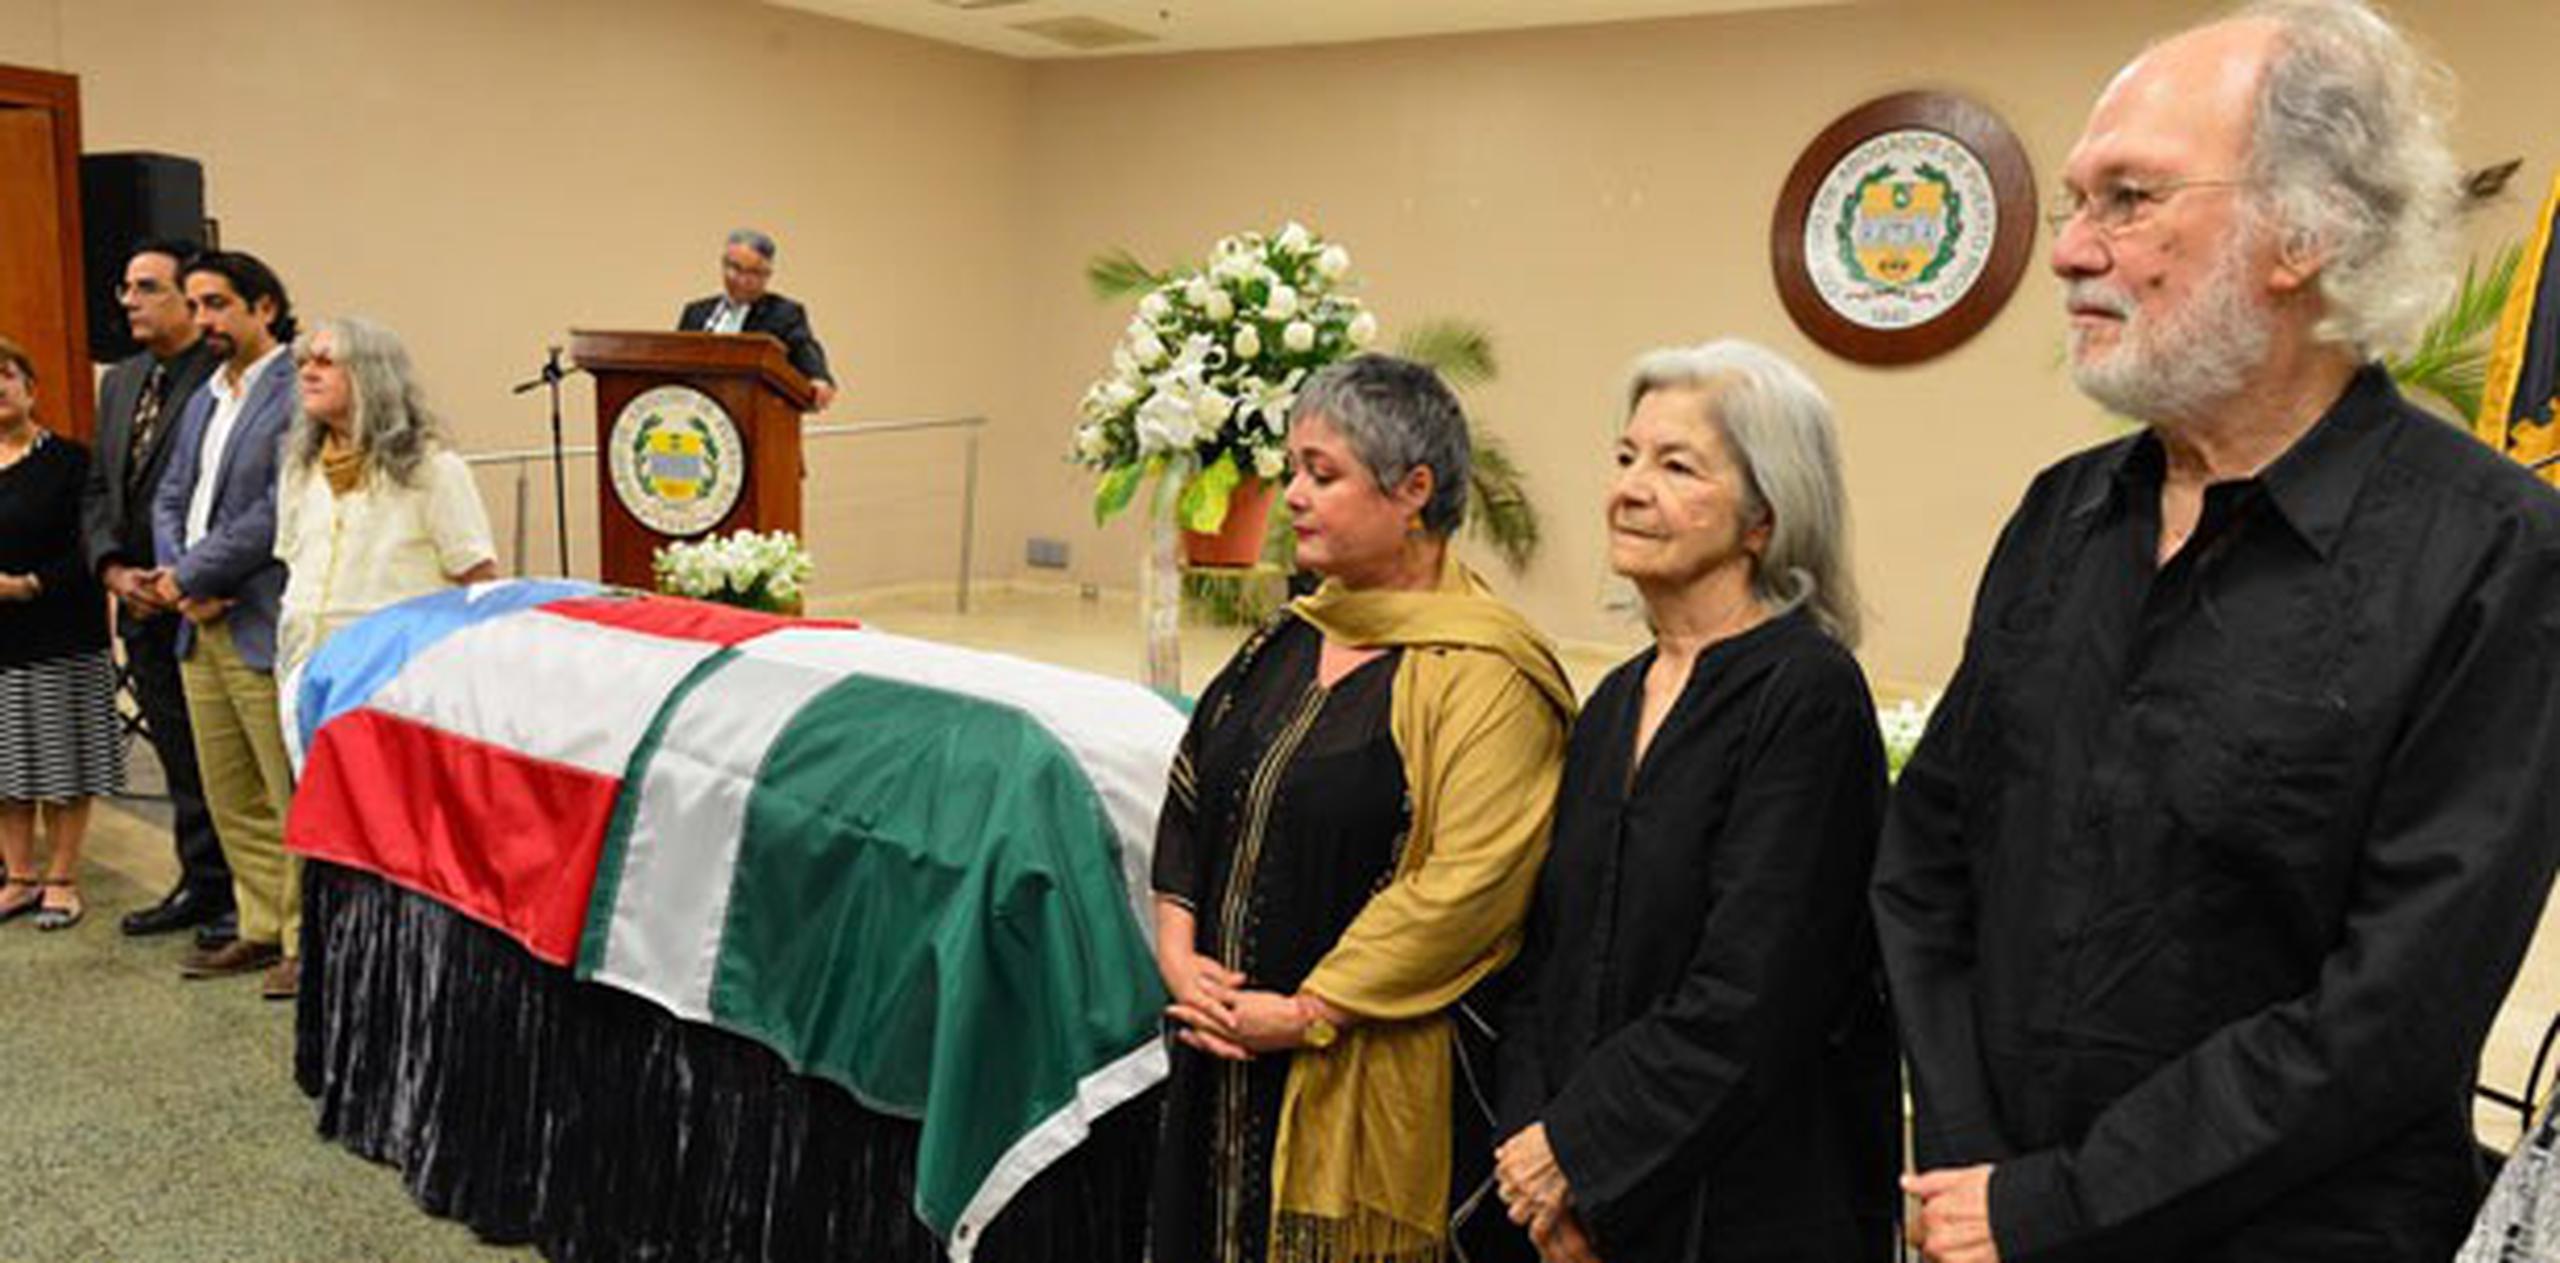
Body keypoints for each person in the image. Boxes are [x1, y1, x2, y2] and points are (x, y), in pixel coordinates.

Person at [1876, 3, 2560, 1260]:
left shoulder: (2495, 554)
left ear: (2302, 232)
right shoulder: (2059, 517)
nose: (2069, 250)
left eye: (2127, 198)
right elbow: (1924, 867)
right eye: (2078, 199)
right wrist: (1974, 1167)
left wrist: (2060, 1203)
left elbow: (2394, 1009)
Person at [1149, 354, 1575, 1263]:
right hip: (1218, 1057)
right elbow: (1195, 787)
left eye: (1322, 473)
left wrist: (1307, 1010)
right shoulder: (1295, 631)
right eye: (1295, 469)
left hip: (1353, 1072)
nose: (1293, 495)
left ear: (1413, 490)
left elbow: (1467, 884)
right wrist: (1179, 954)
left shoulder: (1488, 671)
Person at [1493, 341, 1898, 1263]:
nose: (1631, 488)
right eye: (1626, 456)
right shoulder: (1612, 702)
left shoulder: (1808, 696)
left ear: (1764, 516)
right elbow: (1545, 960)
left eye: (1677, 467)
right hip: (1573, 1206)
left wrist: (1577, 1153)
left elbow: (1757, 991)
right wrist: (1539, 1172)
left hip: (1742, 1203)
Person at [152, 249, 303, 999]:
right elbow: (169, 493)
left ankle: (307, 942)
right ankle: (260, 924)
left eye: (217, 304)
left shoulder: (294, 391)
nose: (203, 319)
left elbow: (275, 510)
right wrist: (179, 577)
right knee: (230, 791)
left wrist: (196, 575)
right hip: (198, 620)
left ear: (264, 307)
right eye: (197, 304)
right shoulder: (206, 393)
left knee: (286, 789)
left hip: (256, 615)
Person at [77, 237, 236, 945]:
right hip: (136, 599)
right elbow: (99, 489)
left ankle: (249, 893)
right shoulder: (121, 379)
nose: (129, 301)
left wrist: (181, 576)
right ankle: (201, 883)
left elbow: (228, 497)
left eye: (147, 287)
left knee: (229, 758)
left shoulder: (223, 378)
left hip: (207, 597)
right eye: (125, 287)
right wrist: (112, 568)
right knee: (177, 752)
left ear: (188, 297)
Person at [273, 316, 497, 688]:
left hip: (395, 676)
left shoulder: (433, 468)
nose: (308, 374)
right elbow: (291, 564)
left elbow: (477, 580)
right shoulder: (300, 468)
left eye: (325, 362)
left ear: (370, 377)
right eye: (304, 363)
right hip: (308, 672)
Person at [0, 336, 126, 930]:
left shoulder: (71, 462)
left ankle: (62, 879)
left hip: (59, 633)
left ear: (31, 387)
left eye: (6, 375)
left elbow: (92, 549)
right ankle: (20, 875)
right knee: (7, 768)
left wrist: (28, 584)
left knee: (62, 762)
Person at [676, 227, 837, 411]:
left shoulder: (783, 314)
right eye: (735, 268)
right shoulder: (696, 313)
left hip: (756, 412)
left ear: (767, 274)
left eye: (752, 273)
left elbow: (803, 346)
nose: (741, 280)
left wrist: (819, 377)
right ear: (723, 265)